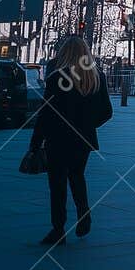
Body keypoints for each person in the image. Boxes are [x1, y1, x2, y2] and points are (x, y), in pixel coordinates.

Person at [29, 36, 112, 246]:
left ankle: (58, 229)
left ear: (65, 53)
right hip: (83, 139)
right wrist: (88, 125)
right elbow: (106, 112)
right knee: (77, 176)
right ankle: (84, 214)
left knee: (57, 184)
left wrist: (35, 143)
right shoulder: (97, 78)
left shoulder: (57, 79)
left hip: (58, 138)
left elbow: (46, 115)